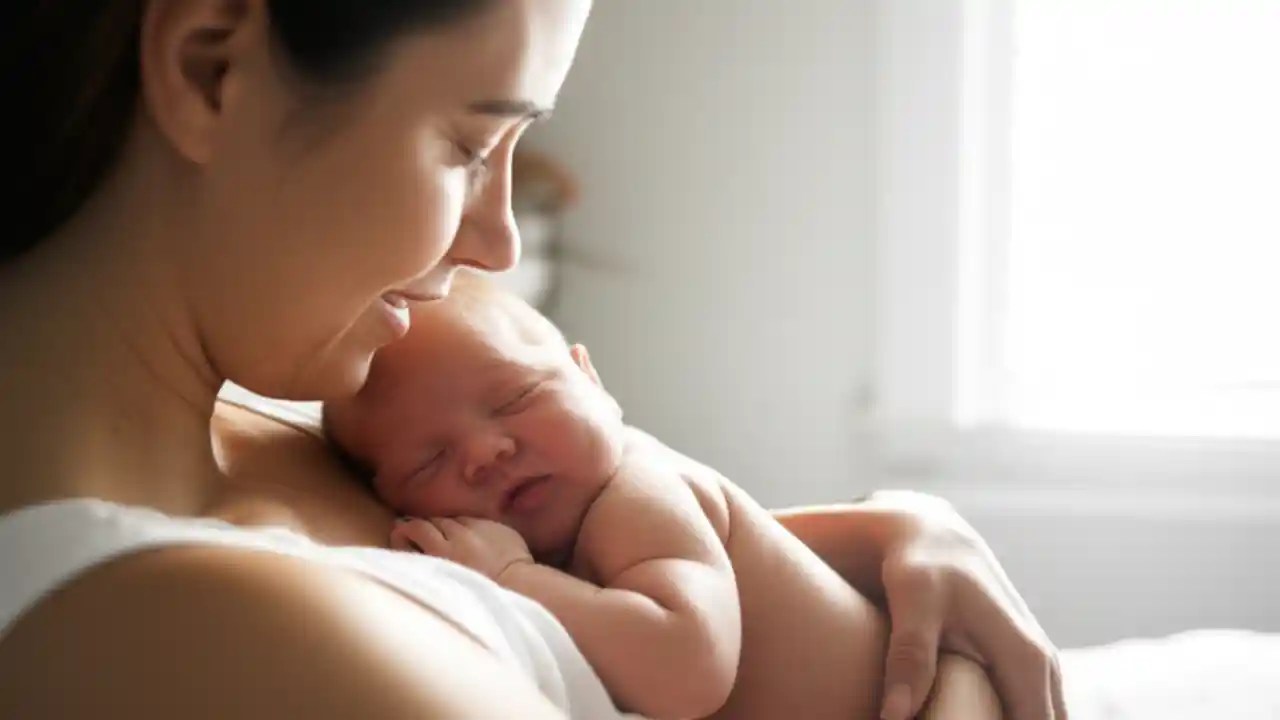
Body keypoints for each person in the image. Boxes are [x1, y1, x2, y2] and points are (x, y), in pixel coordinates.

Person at [0, 2, 1065, 719]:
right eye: (468, 145)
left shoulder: (291, 424)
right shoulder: (202, 625)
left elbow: (581, 586)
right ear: (210, 69)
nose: (499, 243)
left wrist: (870, 537)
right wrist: (957, 687)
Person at [324, 272, 999, 719]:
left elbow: (687, 665)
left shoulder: (635, 495)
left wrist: (515, 578)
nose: (484, 452)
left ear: (590, 378)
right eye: (430, 460)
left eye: (516, 397)